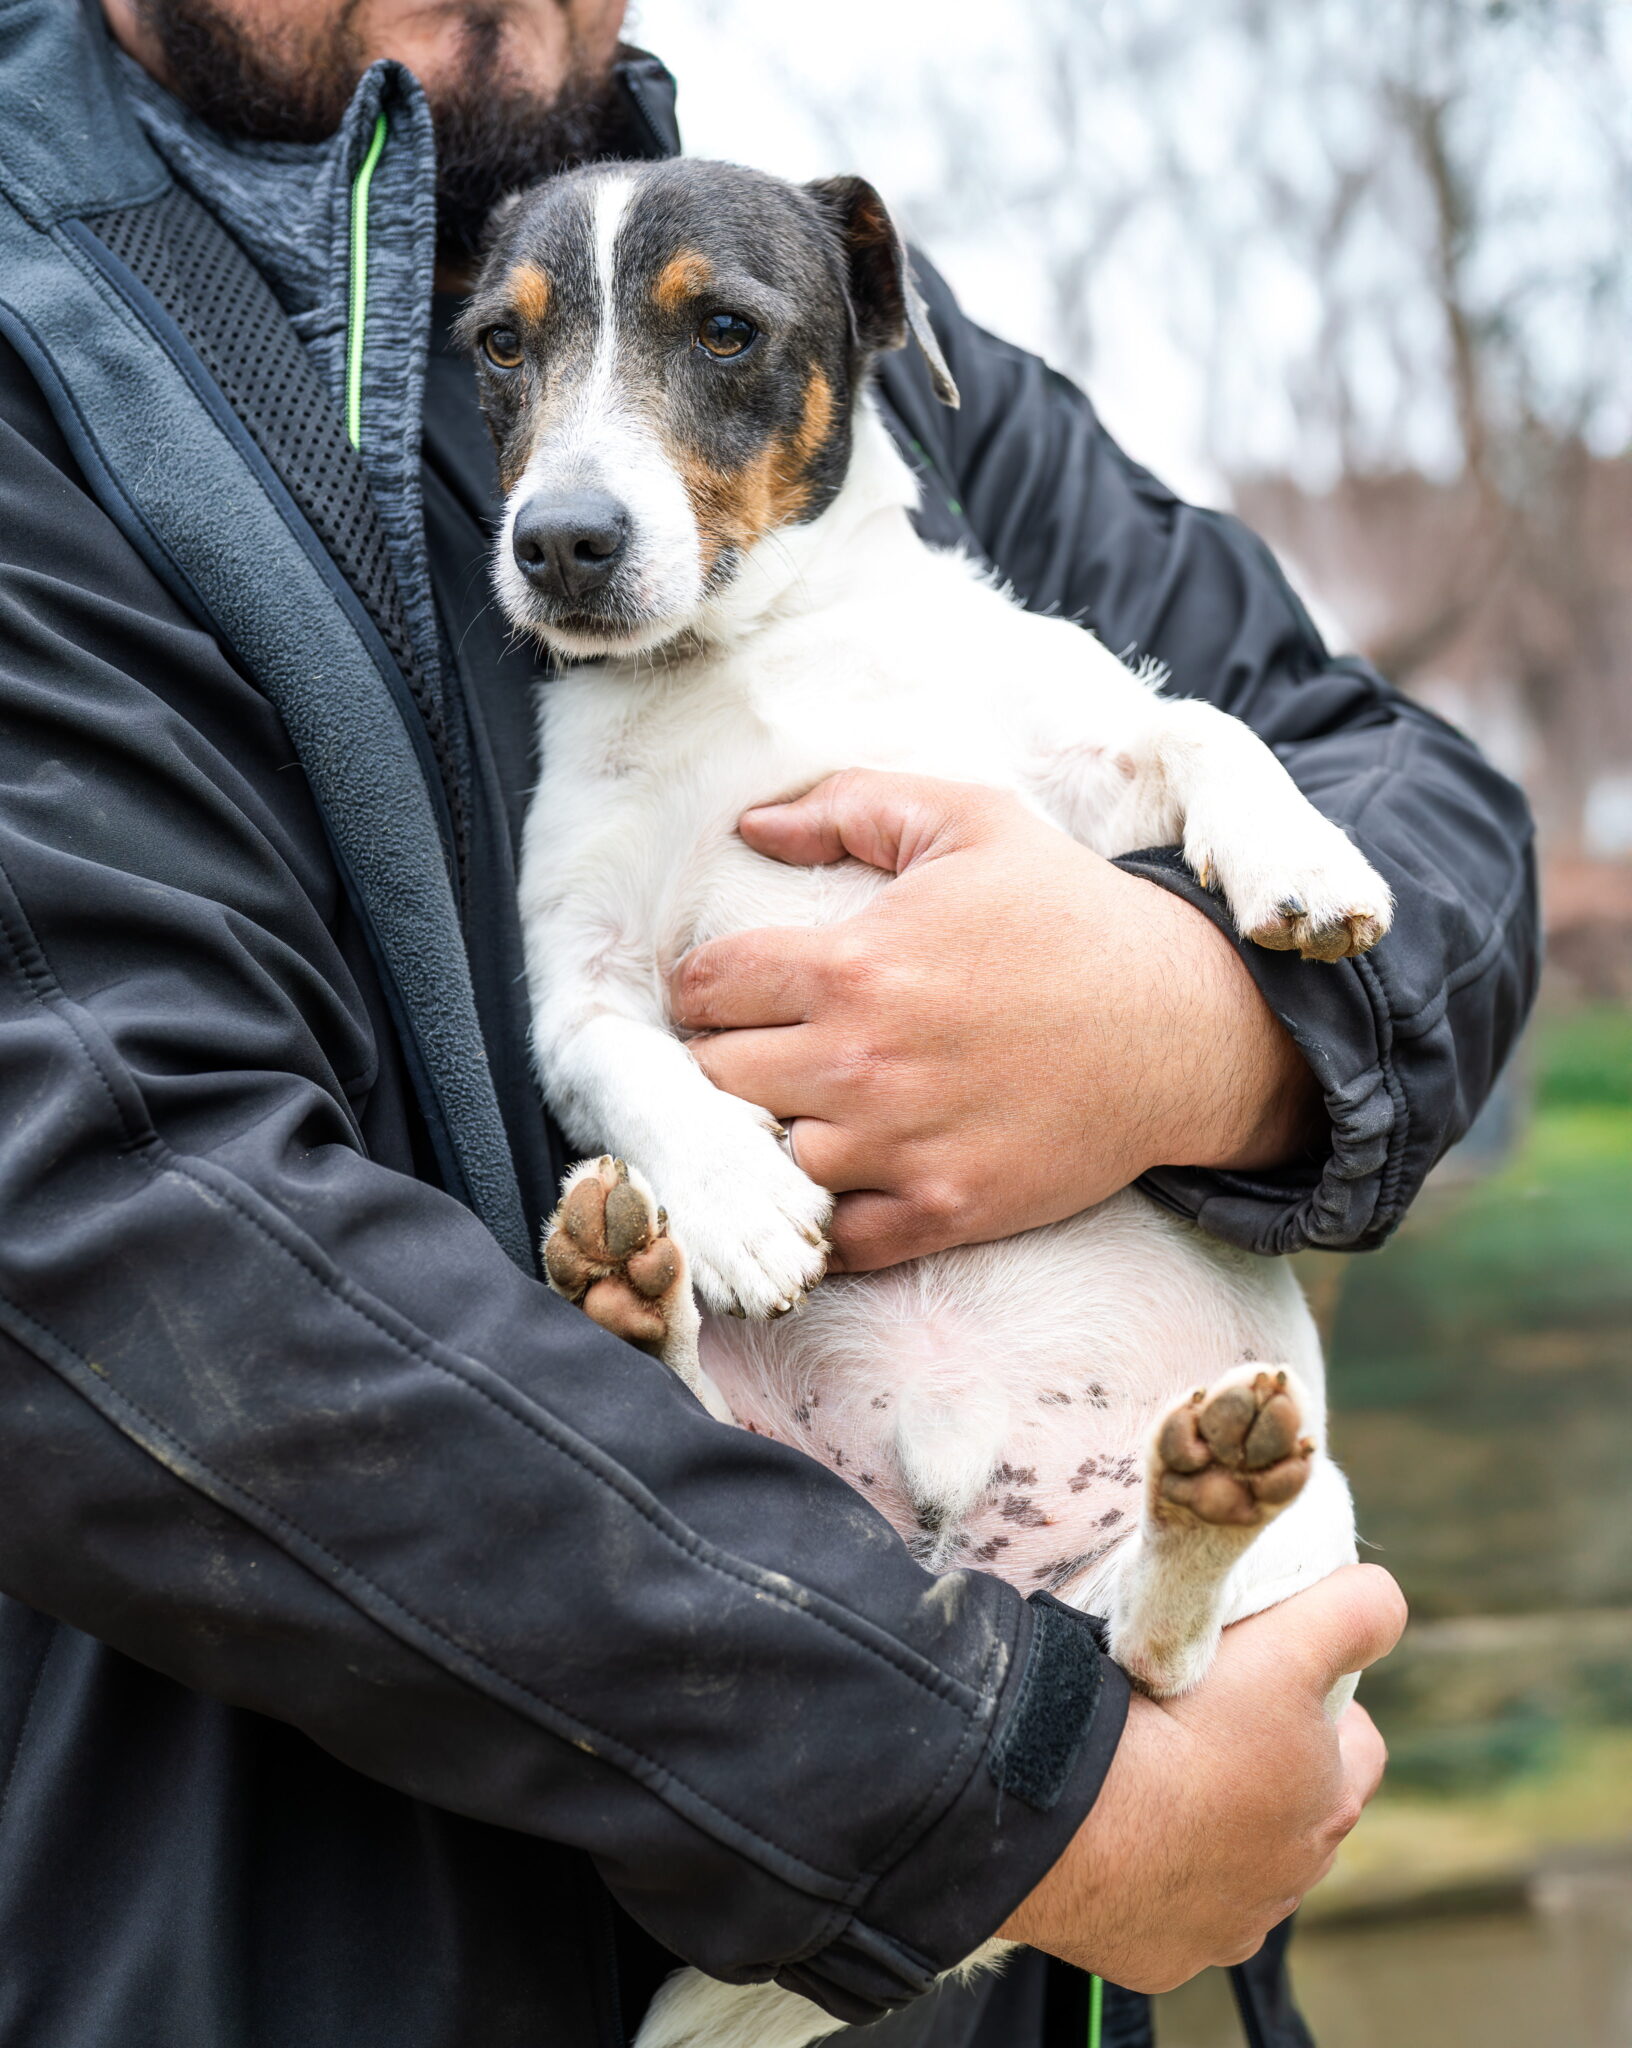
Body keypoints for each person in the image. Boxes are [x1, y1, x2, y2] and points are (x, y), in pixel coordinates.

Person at [0, 3, 1530, 2044]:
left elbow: (1400, 793)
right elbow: (113, 1242)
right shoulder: (44, 345)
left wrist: (1192, 1024)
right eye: (526, 351)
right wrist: (1031, 1792)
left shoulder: (828, 306)